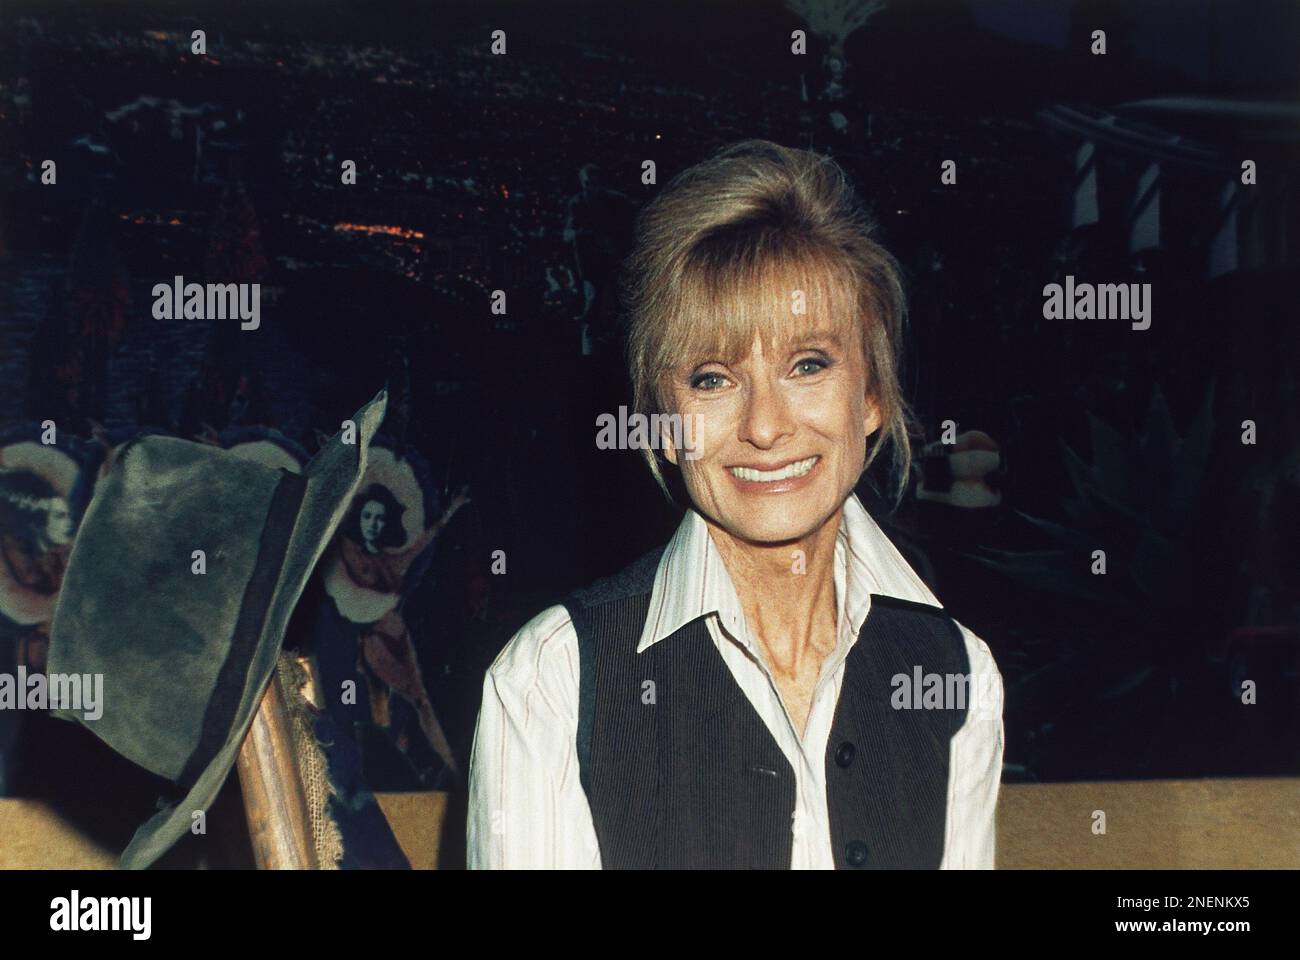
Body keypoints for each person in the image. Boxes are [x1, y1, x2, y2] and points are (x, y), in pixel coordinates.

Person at [468, 139, 1004, 869]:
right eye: (713, 379)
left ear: (873, 395)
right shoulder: (552, 683)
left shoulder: (957, 672)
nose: (764, 426)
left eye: (807, 365)